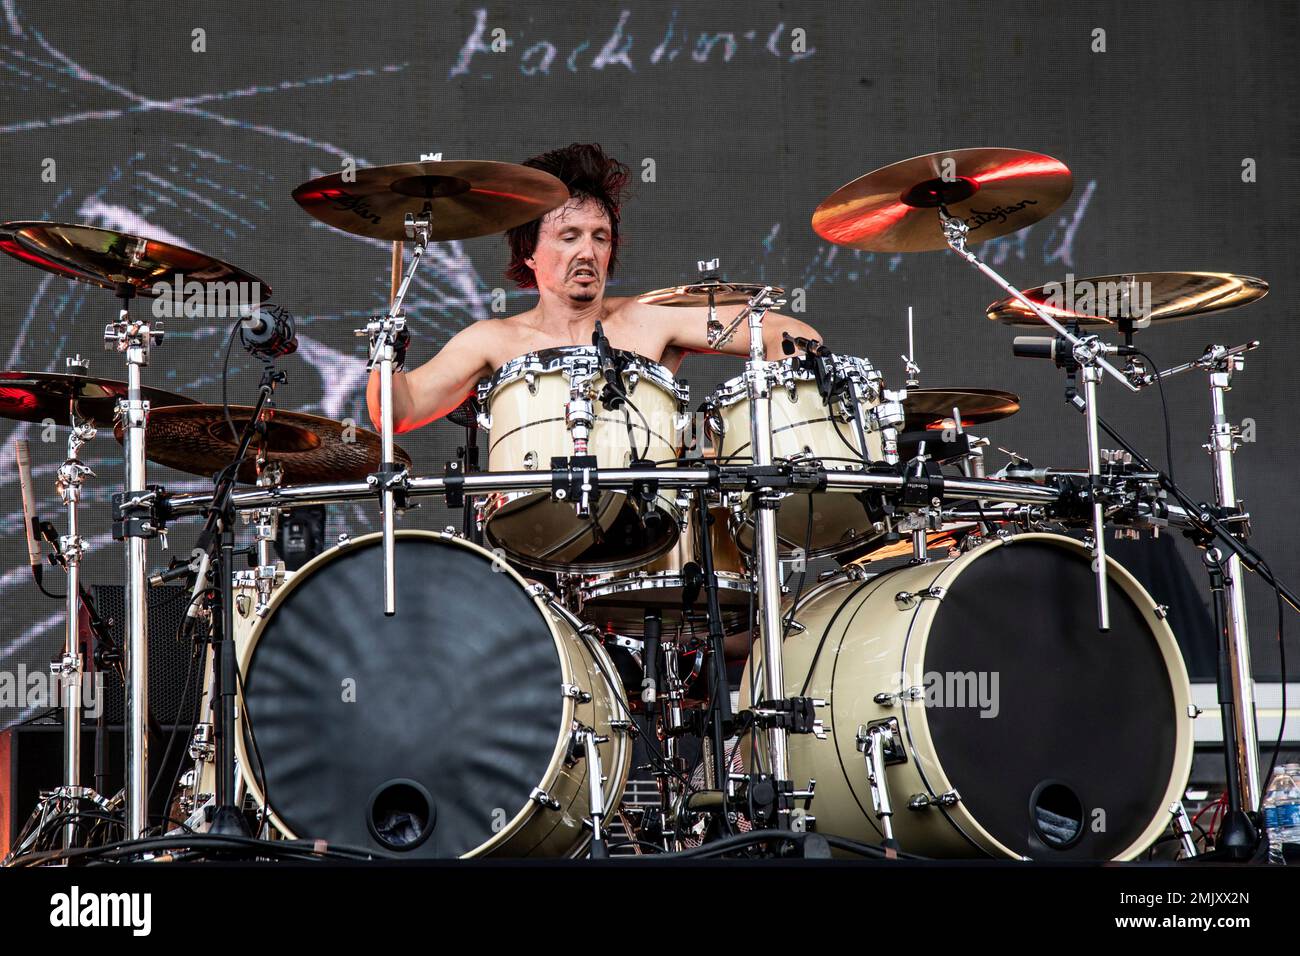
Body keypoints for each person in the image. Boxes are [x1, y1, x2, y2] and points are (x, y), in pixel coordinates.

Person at [366, 143, 822, 434]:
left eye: (599, 237)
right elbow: (397, 413)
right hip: (535, 540)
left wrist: (742, 438)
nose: (587, 251)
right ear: (530, 252)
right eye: (569, 237)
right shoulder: (493, 340)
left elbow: (794, 338)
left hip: (648, 531)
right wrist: (388, 352)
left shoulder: (651, 316)